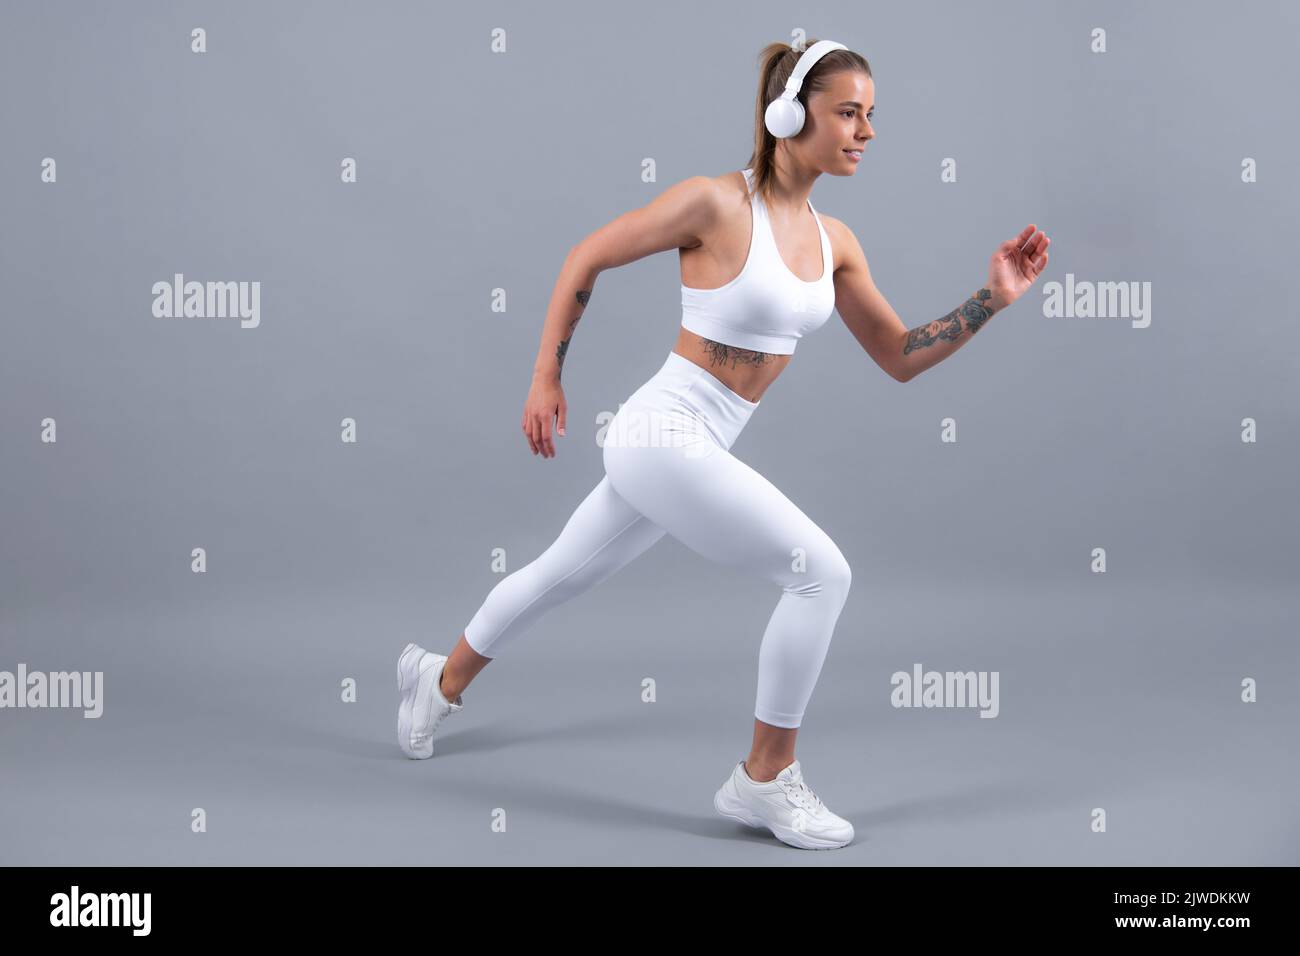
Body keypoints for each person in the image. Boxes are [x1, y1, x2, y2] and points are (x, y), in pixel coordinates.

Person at [397, 39, 1050, 850]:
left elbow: (900, 356)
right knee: (821, 574)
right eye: (849, 113)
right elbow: (587, 257)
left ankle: (437, 680)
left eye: (871, 115)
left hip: (697, 445)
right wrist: (544, 377)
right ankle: (763, 780)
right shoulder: (715, 205)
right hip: (659, 432)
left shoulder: (836, 241)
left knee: (552, 579)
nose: (866, 131)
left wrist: (992, 297)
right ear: (789, 115)